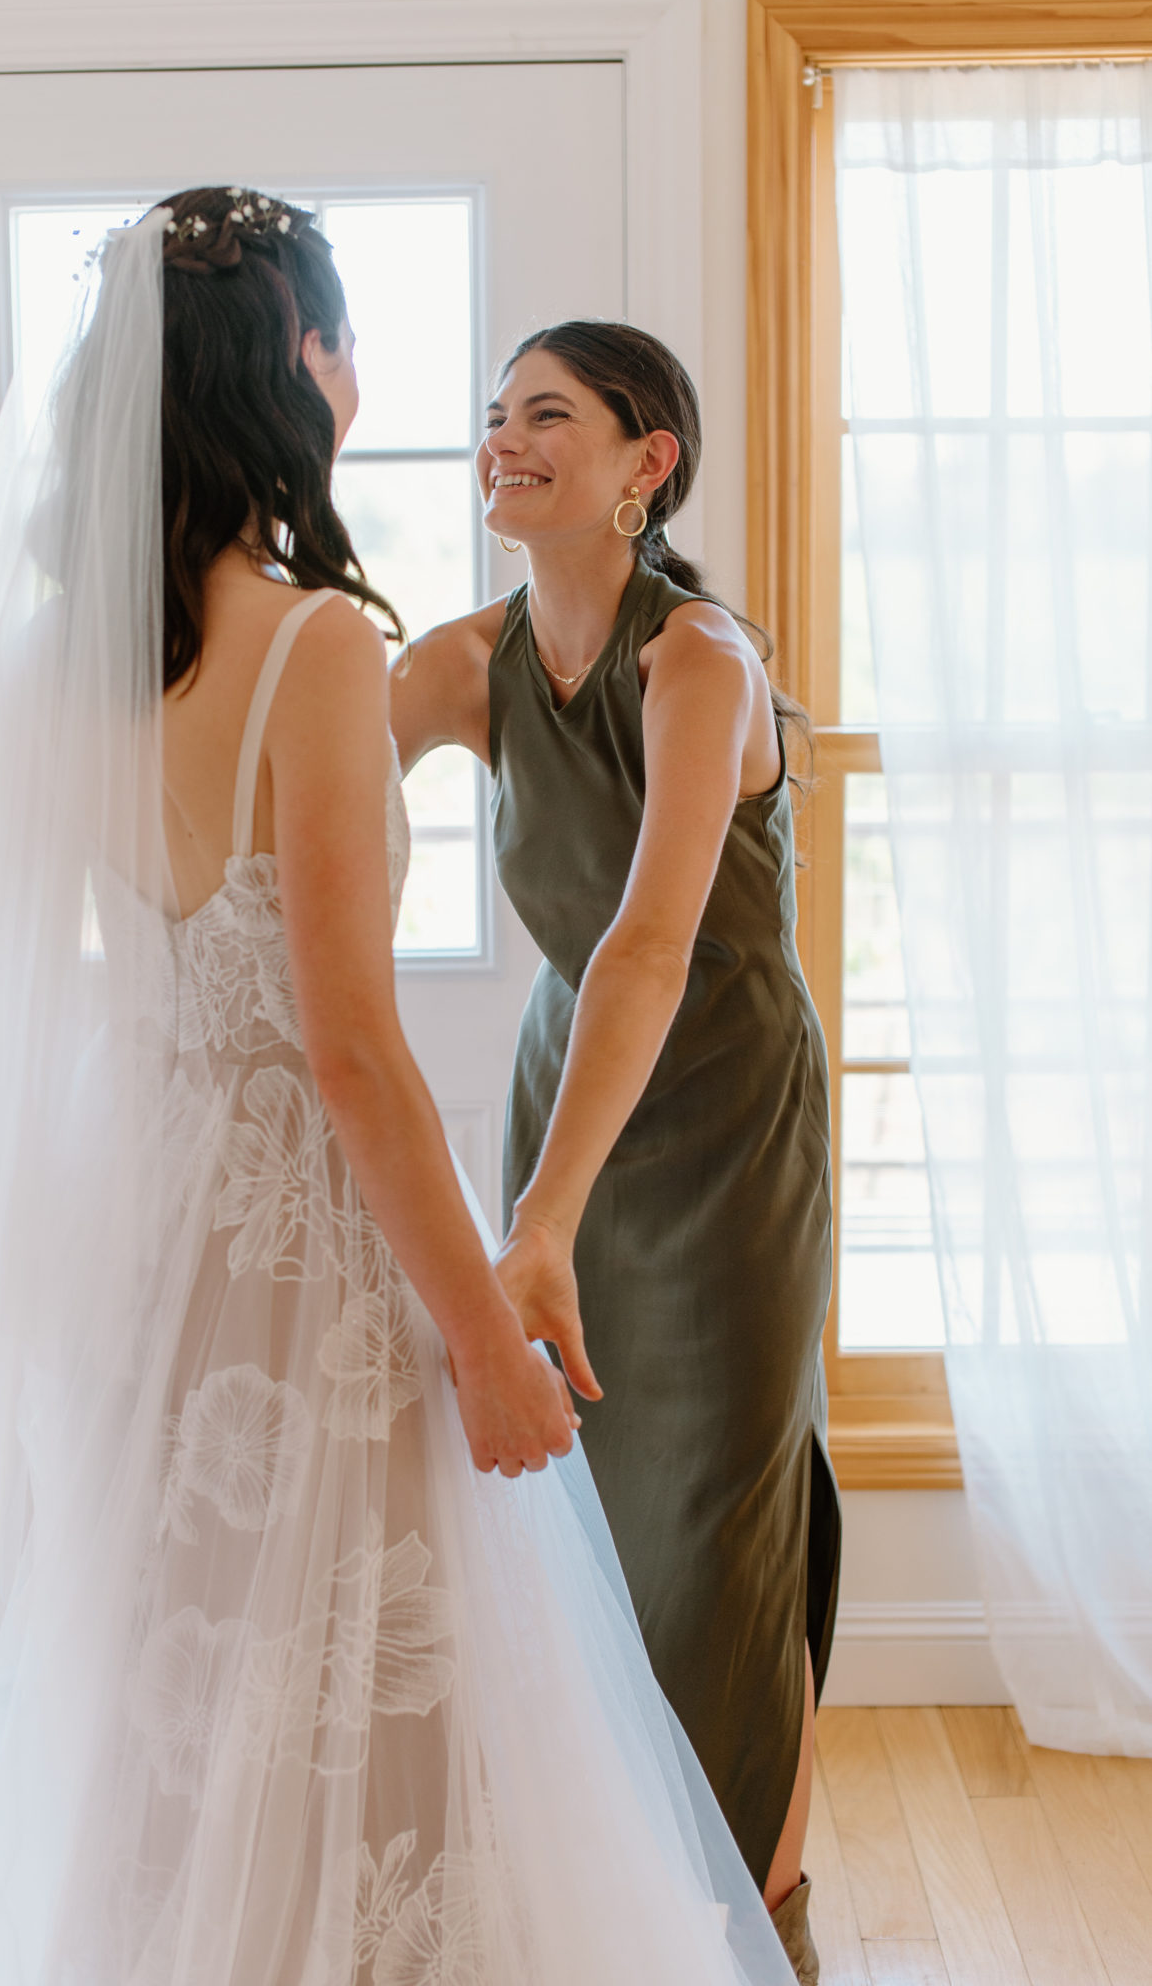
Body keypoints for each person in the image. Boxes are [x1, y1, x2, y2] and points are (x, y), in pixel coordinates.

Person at [0, 193, 794, 1984]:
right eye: (340, 338)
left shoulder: (59, 657)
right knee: (377, 1662)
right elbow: (345, 1047)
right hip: (316, 1233)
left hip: (153, 1216)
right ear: (284, 369)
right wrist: (485, 1333)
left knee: (177, 1647)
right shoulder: (317, 642)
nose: (363, 375)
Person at [389, 320, 841, 1983]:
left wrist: (541, 1222)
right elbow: (297, 814)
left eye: (549, 415)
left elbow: (652, 950)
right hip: (561, 1092)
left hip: (718, 1129)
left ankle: (751, 1935)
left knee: (716, 1534)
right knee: (569, 1533)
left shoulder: (701, 660)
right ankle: (593, 1921)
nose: (505, 438)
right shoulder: (462, 662)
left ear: (648, 464)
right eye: (495, 415)